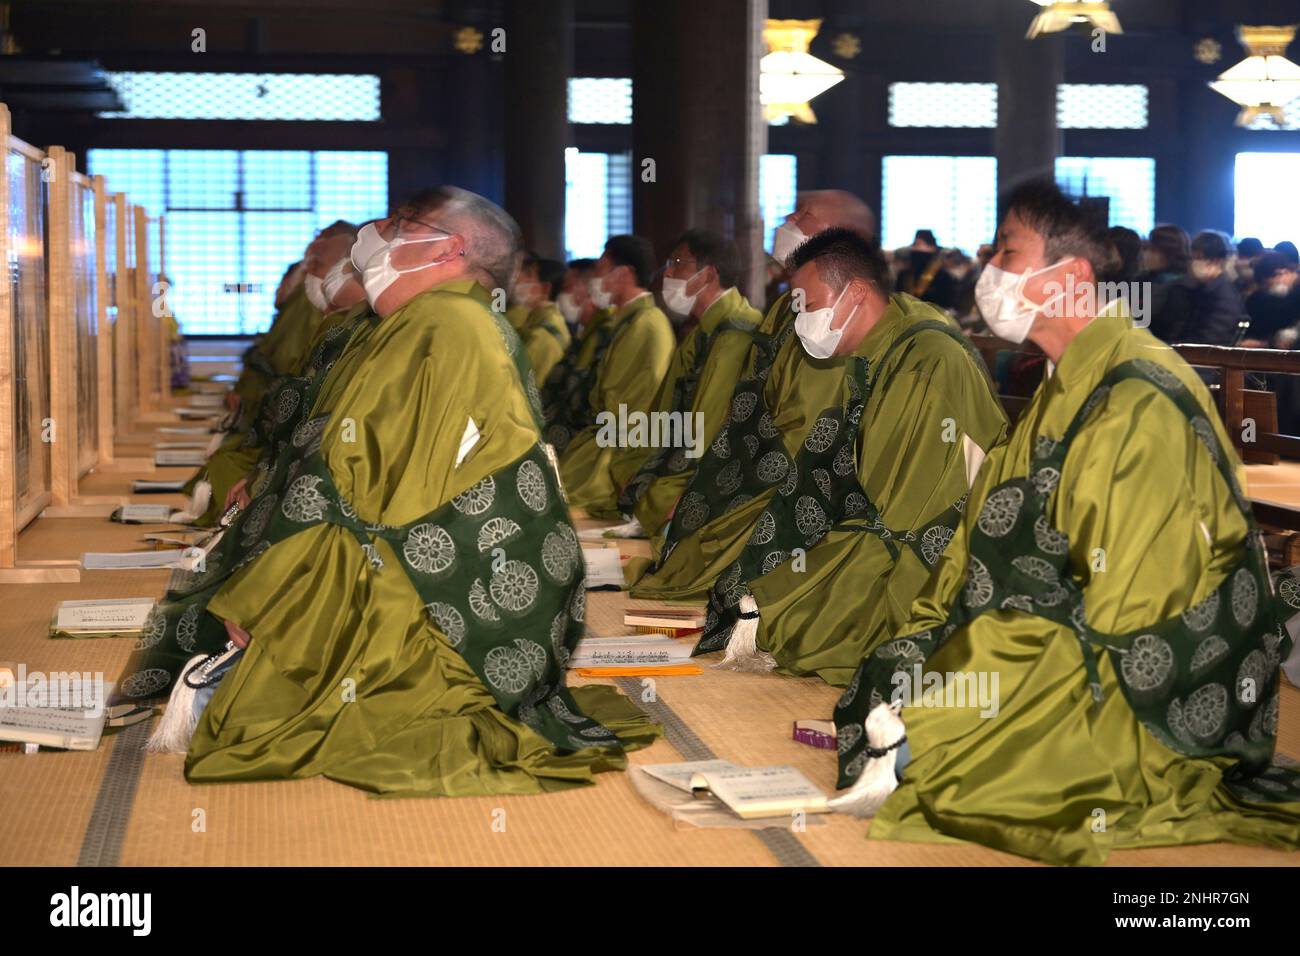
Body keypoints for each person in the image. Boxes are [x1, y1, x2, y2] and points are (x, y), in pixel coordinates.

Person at [116, 186, 661, 794]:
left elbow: (364, 484)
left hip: (447, 584)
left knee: (267, 695)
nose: (381, 234)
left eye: (403, 224)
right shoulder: (426, 317)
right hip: (452, 561)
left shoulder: (444, 324)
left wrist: (271, 589)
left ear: (449, 248)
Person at [830, 178, 1300, 866]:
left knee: (956, 757)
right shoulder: (1061, 384)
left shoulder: (1140, 394)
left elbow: (1135, 614)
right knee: (896, 672)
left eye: (1007, 253)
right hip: (1040, 628)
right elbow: (978, 547)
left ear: (1069, 277)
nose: (989, 272)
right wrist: (934, 638)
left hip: (1148, 675)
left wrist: (984, 669)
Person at [692, 229, 1007, 685]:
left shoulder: (926, 362)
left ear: (856, 292)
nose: (800, 319)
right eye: (796, 306)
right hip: (884, 523)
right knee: (759, 587)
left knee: (787, 618)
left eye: (808, 304)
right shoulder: (882, 351)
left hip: (936, 557)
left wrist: (800, 594)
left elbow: (909, 525)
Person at [628, 190, 876, 599]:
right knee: (683, 535)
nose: (789, 220)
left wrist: (724, 489)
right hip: (748, 459)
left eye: (804, 213)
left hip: (791, 478)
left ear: (842, 234)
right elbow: (741, 408)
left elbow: (806, 427)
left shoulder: (838, 314)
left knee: (698, 547)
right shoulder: (784, 306)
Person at [602, 230, 761, 537]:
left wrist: (682, 492)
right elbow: (665, 411)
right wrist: (641, 465)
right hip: (676, 456)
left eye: (677, 263)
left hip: (708, 477)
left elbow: (709, 430)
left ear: (708, 274)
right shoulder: (704, 331)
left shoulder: (736, 332)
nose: (668, 273)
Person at [554, 235, 676, 513]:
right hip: (601, 442)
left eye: (600, 270)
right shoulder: (623, 320)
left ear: (624, 274)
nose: (595, 279)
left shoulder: (648, 324)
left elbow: (639, 409)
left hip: (617, 455)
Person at [510, 252, 572, 384]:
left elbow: (517, 385)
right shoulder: (535, 320)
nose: (519, 280)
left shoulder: (544, 335)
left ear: (545, 289)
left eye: (529, 276)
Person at [1186, 231, 1246, 345]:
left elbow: (1213, 339)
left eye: (1200, 258)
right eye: (1193, 258)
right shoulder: (1200, 288)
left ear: (1217, 261)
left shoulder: (1225, 295)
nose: (1194, 263)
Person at [1139, 224, 1195, 343]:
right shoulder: (1147, 280)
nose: (1146, 255)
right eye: (1145, 249)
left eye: (1153, 250)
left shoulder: (1179, 289)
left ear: (1168, 254)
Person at [893, 229, 959, 311]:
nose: (914, 249)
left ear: (932, 248)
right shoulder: (904, 275)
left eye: (918, 244)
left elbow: (946, 305)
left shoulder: (943, 277)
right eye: (914, 245)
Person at [1242, 252, 1300, 346]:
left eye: (1268, 286)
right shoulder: (1288, 296)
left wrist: (1264, 344)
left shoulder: (1294, 295)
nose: (1270, 291)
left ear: (1281, 273)